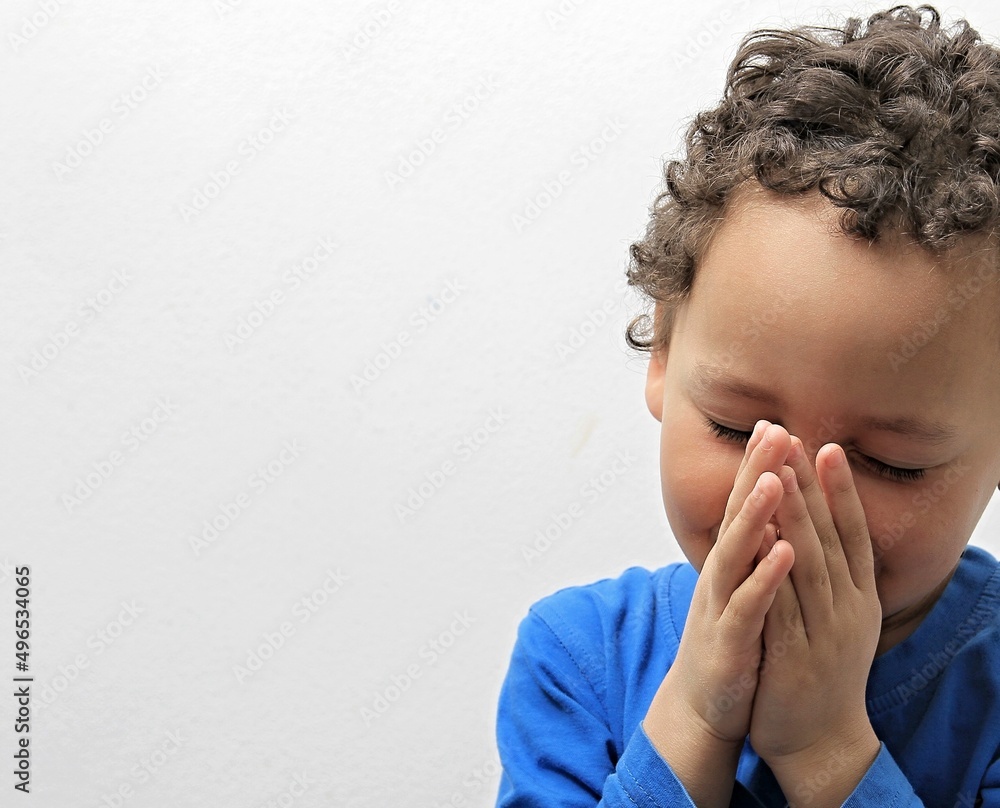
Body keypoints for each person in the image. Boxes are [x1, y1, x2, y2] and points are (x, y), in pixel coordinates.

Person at [493, 5, 1000, 806]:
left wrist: (826, 748)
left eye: (889, 464)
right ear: (663, 351)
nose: (789, 498)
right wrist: (695, 718)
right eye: (738, 428)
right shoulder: (580, 660)